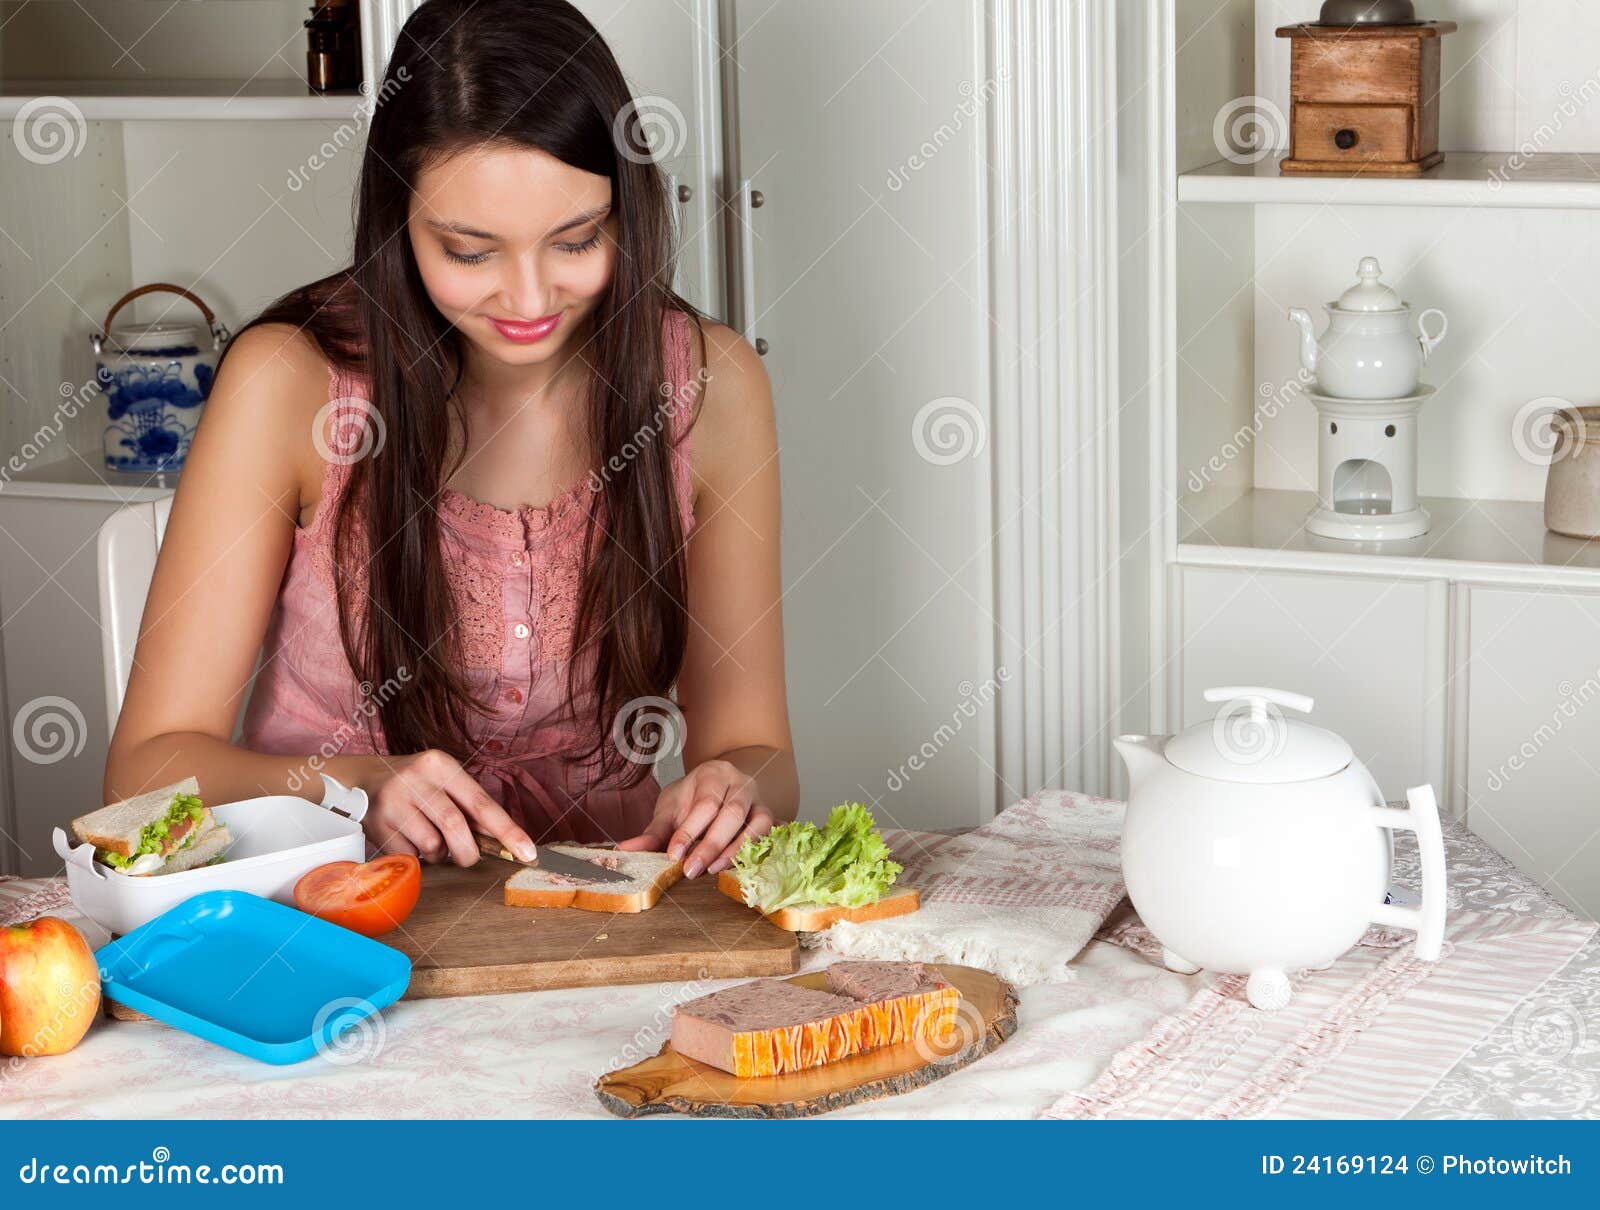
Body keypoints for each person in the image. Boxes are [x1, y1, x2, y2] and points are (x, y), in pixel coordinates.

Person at [104, 0, 796, 880]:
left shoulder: (709, 384)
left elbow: (757, 746)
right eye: (471, 252)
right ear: (399, 224)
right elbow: (146, 769)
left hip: (599, 920)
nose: (531, 296)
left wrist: (732, 787)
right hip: (337, 911)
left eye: (577, 240)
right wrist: (353, 786)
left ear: (628, 212)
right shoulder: (290, 382)